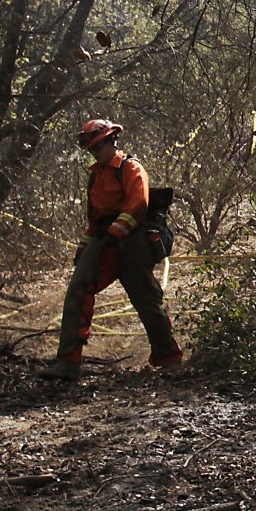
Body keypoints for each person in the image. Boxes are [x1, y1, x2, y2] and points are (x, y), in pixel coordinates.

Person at [39, 118, 185, 379]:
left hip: (134, 242)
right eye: (91, 149)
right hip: (105, 240)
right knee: (79, 288)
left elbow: (137, 206)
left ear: (111, 142)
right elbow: (94, 219)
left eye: (97, 147)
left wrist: (116, 233)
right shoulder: (96, 175)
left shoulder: (130, 168)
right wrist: (86, 246)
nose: (95, 153)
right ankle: (68, 362)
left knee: (145, 298)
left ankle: (169, 358)